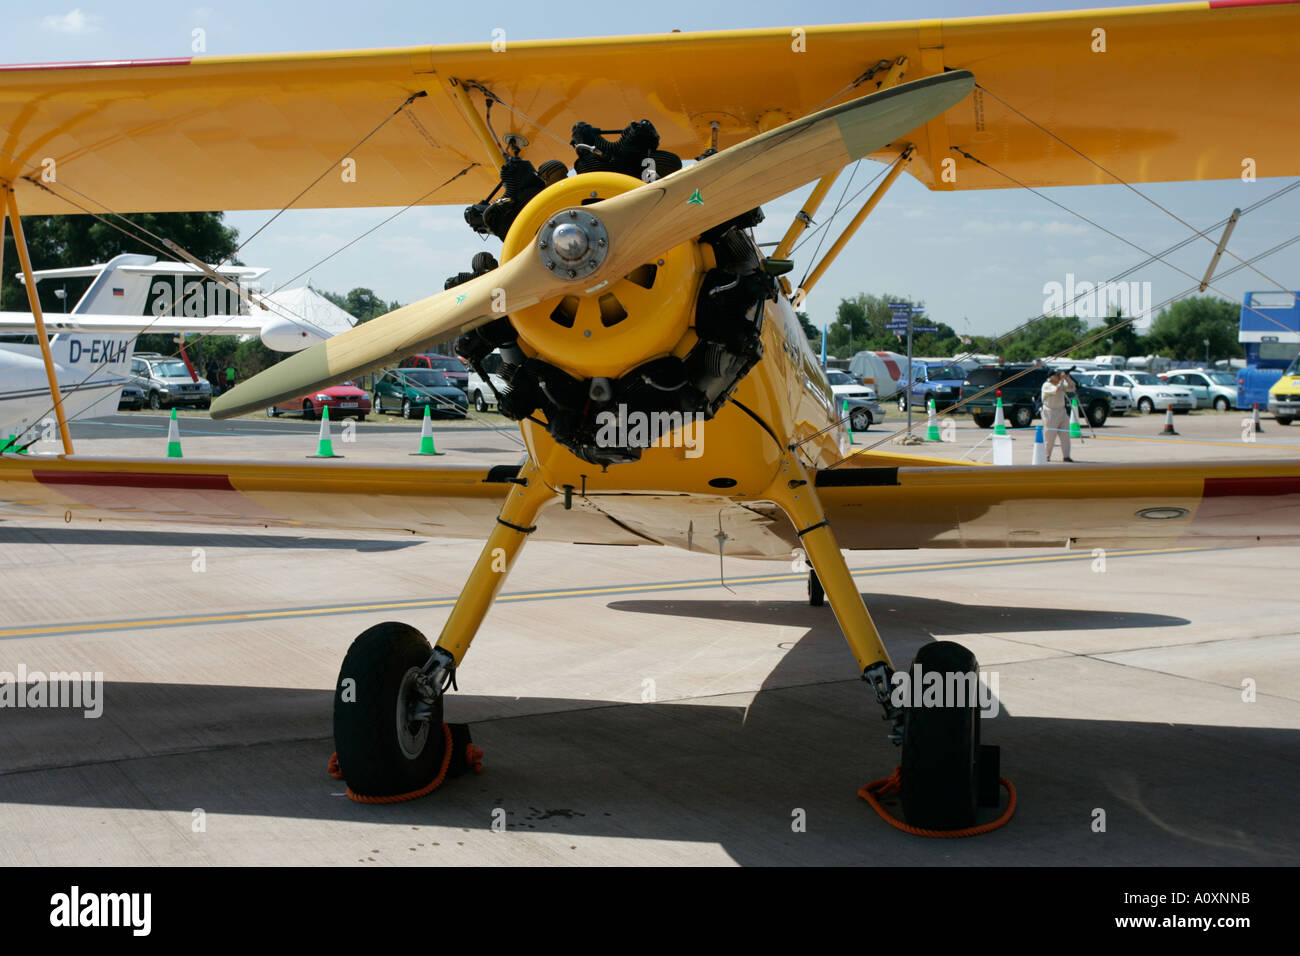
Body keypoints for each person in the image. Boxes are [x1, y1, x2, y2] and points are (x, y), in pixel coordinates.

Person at [1040, 370, 1076, 462]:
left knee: (1065, 436)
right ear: (1051, 377)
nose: (1058, 377)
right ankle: (1047, 455)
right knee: (1050, 436)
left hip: (1061, 411)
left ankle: (1066, 456)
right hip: (1050, 411)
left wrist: (1067, 378)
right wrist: (1062, 380)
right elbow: (1056, 390)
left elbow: (1072, 388)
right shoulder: (1046, 385)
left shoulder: (1061, 383)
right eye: (1056, 375)